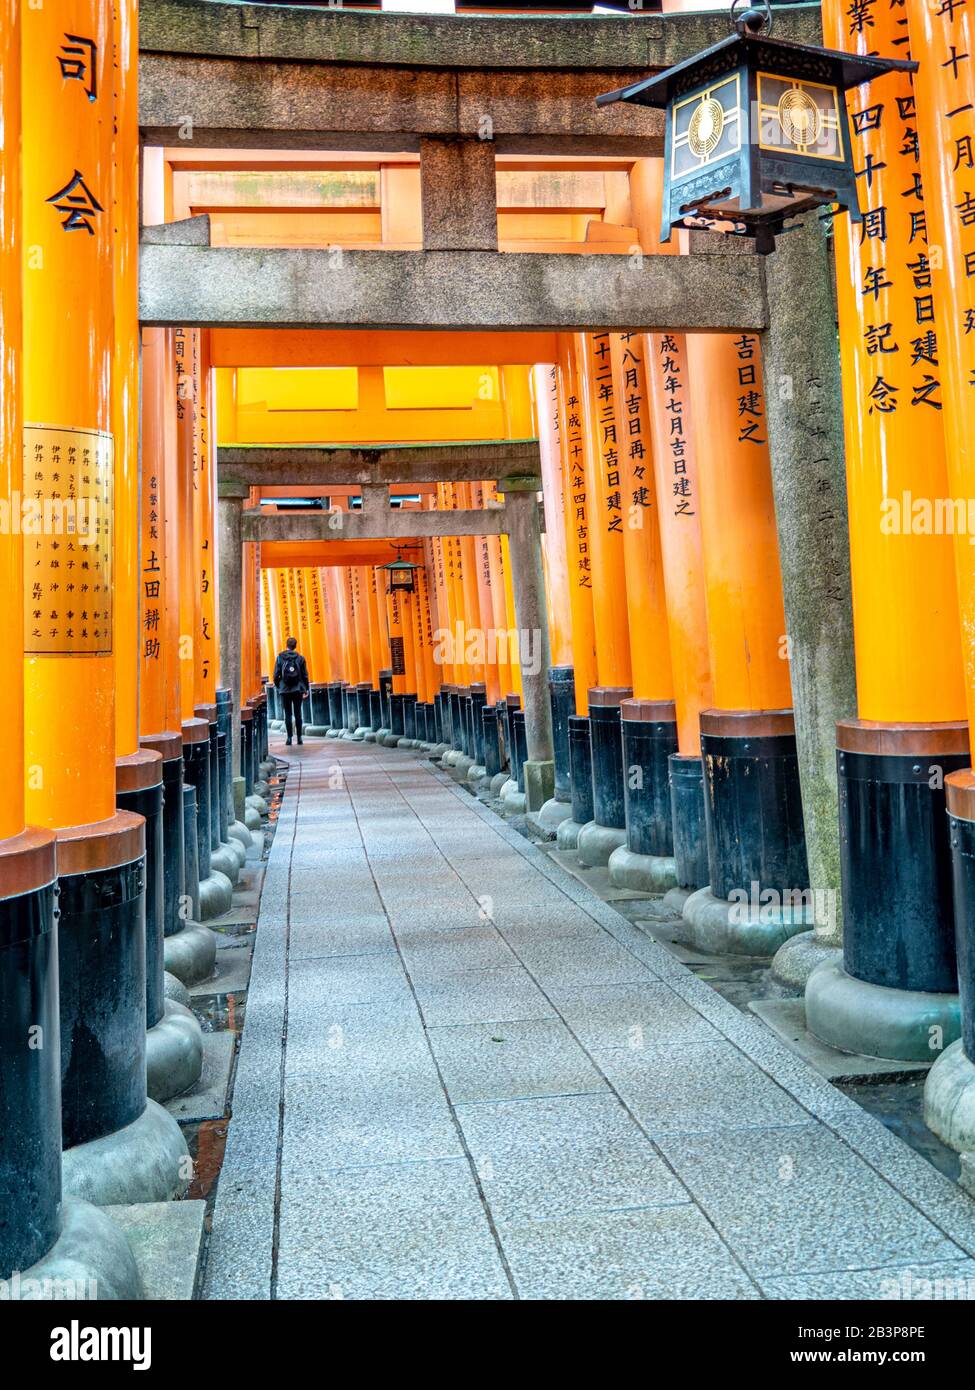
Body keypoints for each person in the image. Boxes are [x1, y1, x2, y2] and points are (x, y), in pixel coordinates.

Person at [273, 636, 310, 746]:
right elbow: (304, 675)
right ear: (295, 646)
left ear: (286, 645)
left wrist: (279, 686)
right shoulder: (300, 658)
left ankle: (289, 738)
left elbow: (276, 675)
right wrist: (306, 689)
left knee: (288, 714)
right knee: (298, 713)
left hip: (285, 690)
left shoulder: (280, 657)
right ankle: (299, 738)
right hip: (297, 689)